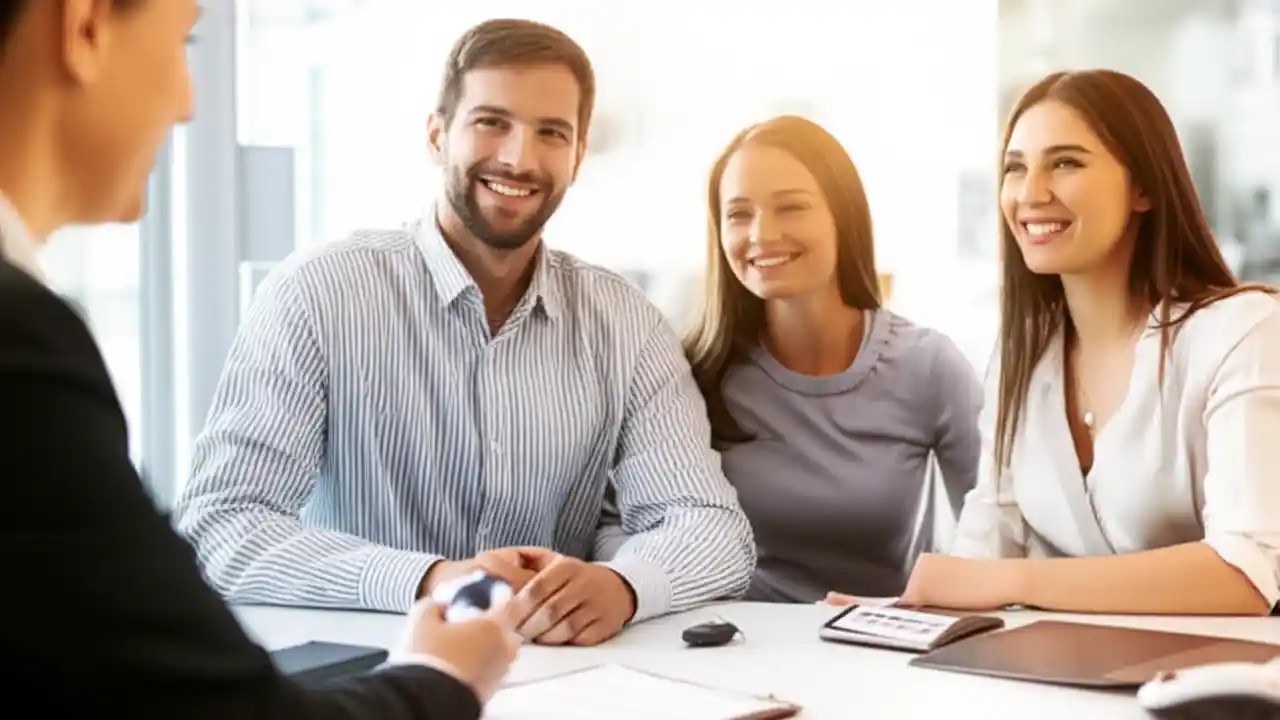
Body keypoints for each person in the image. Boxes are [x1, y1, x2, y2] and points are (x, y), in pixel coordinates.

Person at [0, 1, 518, 717]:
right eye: (183, 41)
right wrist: (444, 678)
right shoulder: (20, 345)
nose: (186, 104)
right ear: (84, 26)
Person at [174, 17, 755, 645]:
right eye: (491, 122)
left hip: (562, 678)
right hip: (367, 680)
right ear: (436, 135)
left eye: (551, 133)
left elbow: (711, 527)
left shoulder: (627, 325)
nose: (519, 158)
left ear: (578, 156)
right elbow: (221, 526)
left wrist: (625, 584)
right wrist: (431, 580)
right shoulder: (317, 295)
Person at [832, 69, 1280, 615]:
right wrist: (898, 618)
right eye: (1015, 168)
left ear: (1143, 187)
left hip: (1214, 688)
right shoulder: (1026, 355)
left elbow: (1246, 574)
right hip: (1067, 684)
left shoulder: (1242, 332)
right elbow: (987, 542)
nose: (1030, 193)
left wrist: (1022, 582)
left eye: (1065, 163)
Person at [682, 115, 981, 603]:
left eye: (791, 207)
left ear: (843, 216)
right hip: (728, 646)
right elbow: (636, 530)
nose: (762, 234)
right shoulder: (693, 371)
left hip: (875, 649)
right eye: (739, 214)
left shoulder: (929, 366)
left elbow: (996, 542)